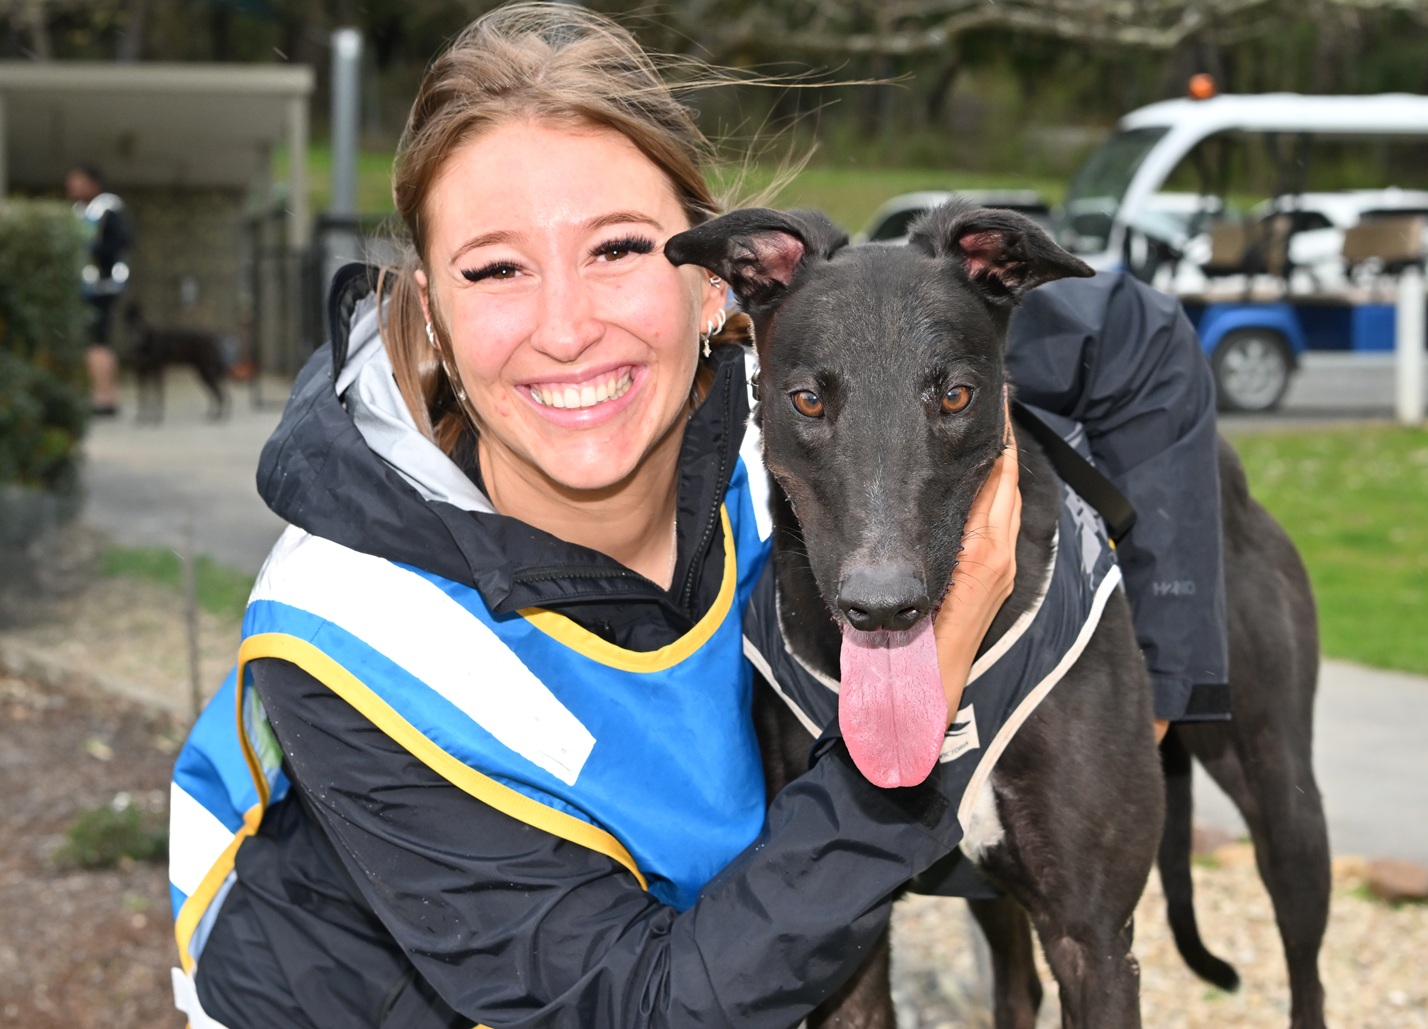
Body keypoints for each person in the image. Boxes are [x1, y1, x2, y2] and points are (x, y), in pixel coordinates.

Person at [167, 5, 1225, 1026]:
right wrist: (933, 675)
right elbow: (639, 1004)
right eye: (495, 268)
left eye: (618, 249)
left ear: (716, 281)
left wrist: (1163, 685)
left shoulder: (812, 384)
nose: (566, 328)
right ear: (430, 313)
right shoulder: (350, 632)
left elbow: (1131, 341)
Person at [66, 162, 134, 416]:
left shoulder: (107, 208)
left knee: (98, 340)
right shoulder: (83, 211)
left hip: (102, 287)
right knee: (96, 341)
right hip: (90, 286)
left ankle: (103, 398)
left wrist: (94, 251)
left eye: (77, 182)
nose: (72, 187)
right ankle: (103, 396)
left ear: (93, 184)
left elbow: (124, 241)